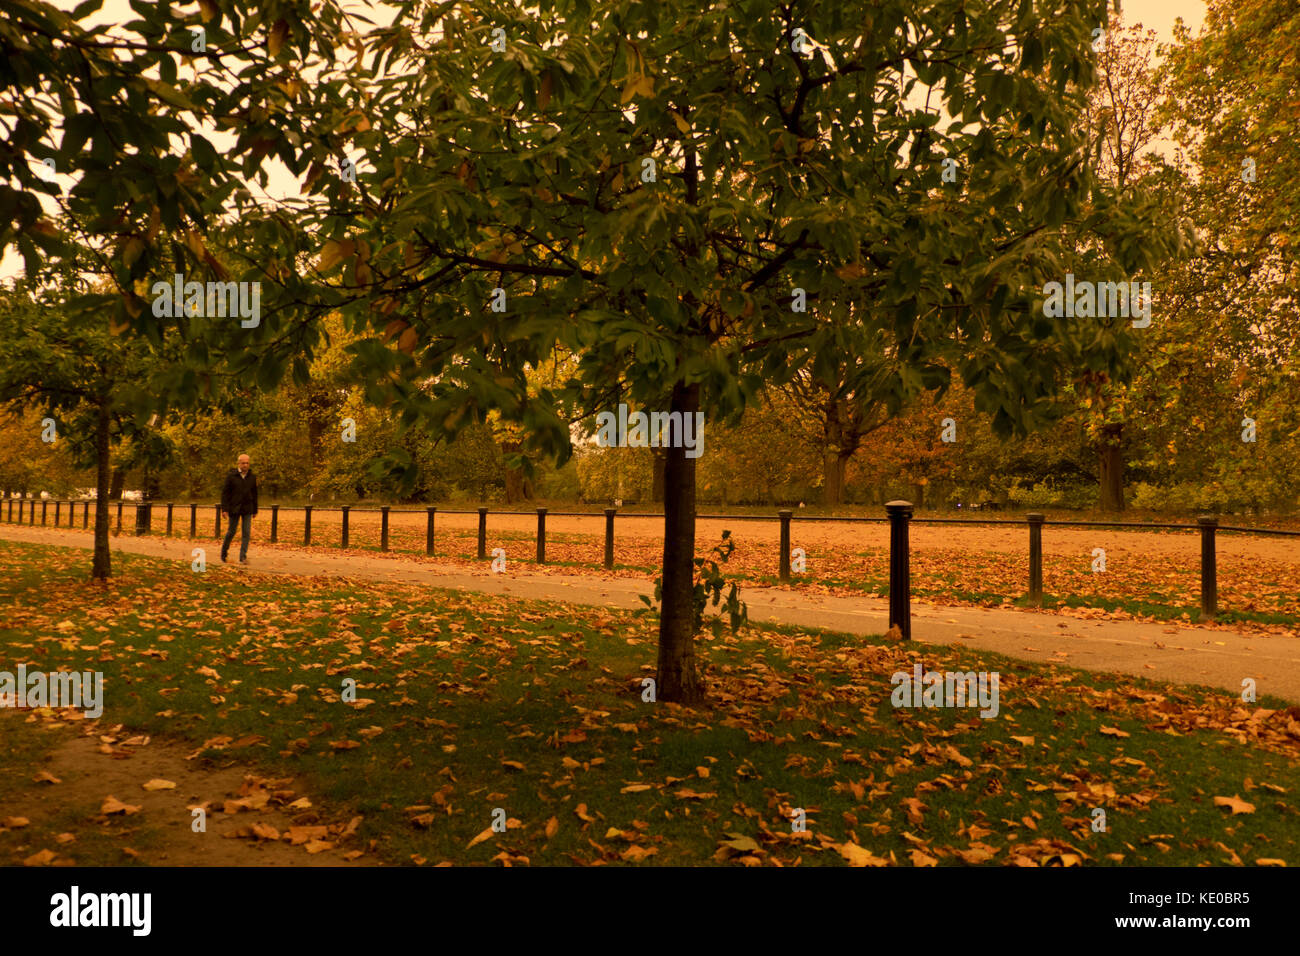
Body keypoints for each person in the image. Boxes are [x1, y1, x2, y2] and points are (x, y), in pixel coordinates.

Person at [220, 454, 259, 564]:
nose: (245, 465)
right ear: (239, 463)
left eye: (247, 463)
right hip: (234, 508)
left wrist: (255, 510)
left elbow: (255, 494)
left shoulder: (252, 477)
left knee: (246, 532)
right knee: (231, 531)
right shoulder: (231, 476)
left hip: (247, 508)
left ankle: (243, 557)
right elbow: (225, 494)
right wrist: (224, 509)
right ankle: (224, 552)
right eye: (243, 463)